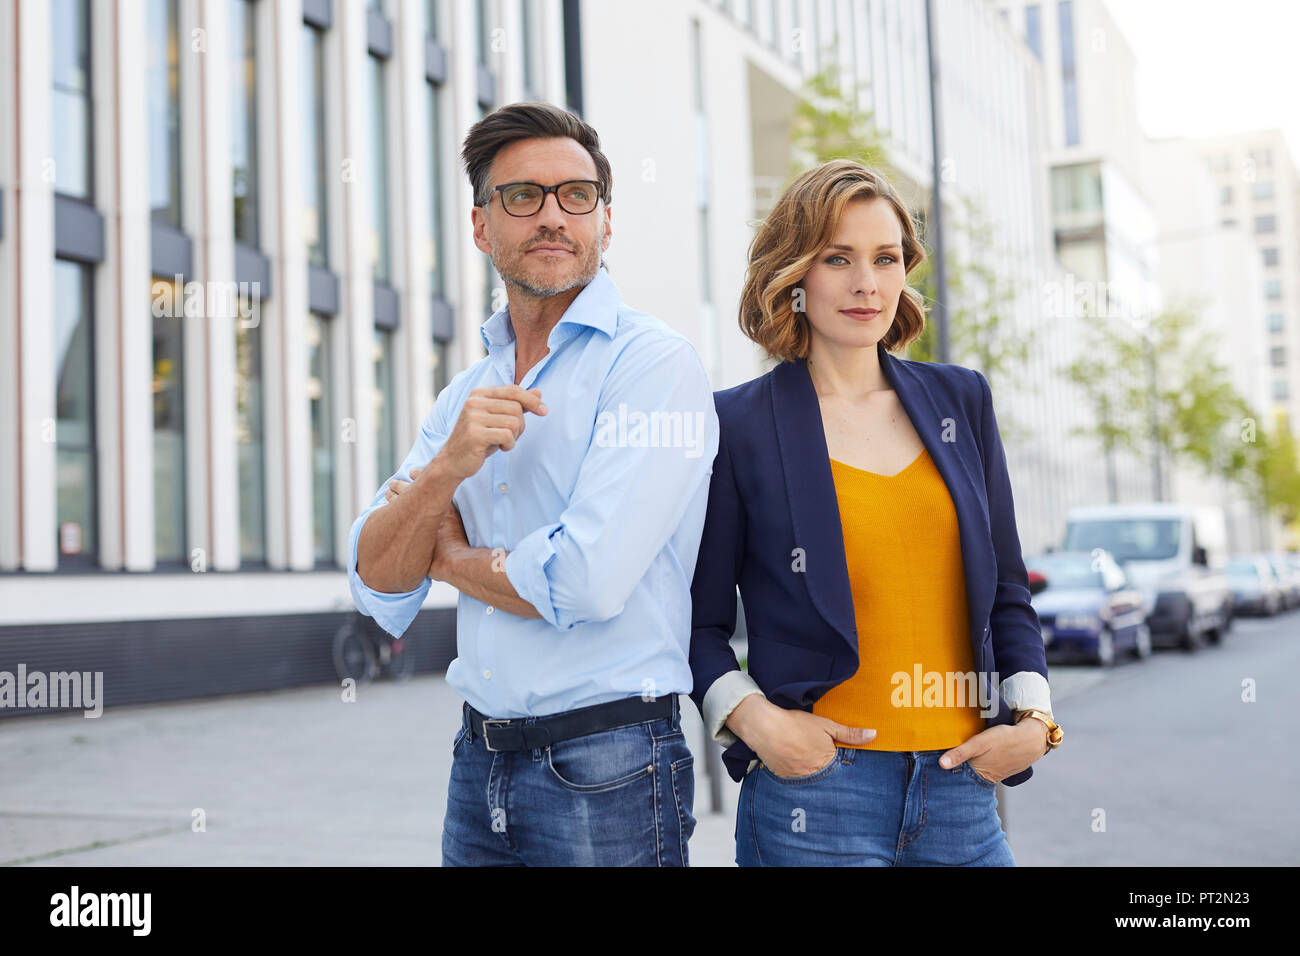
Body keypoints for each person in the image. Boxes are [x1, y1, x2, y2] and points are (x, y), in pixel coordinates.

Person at [351, 102, 718, 866]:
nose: (553, 216)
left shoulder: (652, 366)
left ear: (605, 221)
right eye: (523, 196)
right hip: (478, 762)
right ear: (483, 226)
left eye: (575, 195)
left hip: (610, 766)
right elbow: (380, 584)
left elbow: (586, 581)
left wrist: (448, 560)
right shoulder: (464, 396)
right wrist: (447, 469)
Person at [688, 159, 1061, 866]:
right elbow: (698, 622)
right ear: (795, 273)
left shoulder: (962, 402)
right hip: (816, 798)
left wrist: (1036, 720)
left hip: (963, 789)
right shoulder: (736, 425)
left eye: (886, 258)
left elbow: (1009, 592)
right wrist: (755, 721)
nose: (867, 283)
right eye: (839, 258)